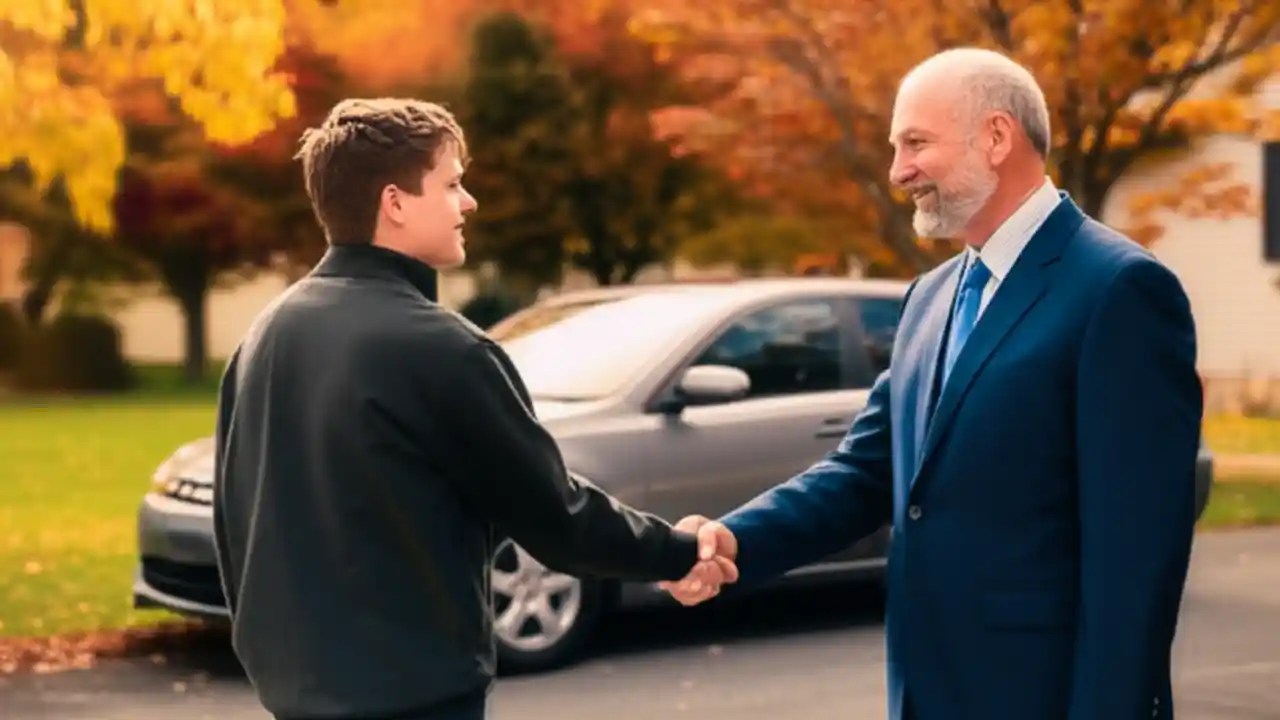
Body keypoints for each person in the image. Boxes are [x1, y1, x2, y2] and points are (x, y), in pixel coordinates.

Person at [663, 48, 1203, 720]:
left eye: (916, 143)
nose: (898, 172)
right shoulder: (929, 296)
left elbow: (1135, 561)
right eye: (896, 148)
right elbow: (863, 474)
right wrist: (732, 539)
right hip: (924, 694)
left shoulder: (1120, 290)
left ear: (997, 138)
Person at [211, 98, 736, 720]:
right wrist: (677, 552)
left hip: (295, 697)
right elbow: (553, 513)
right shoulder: (442, 349)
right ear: (395, 203)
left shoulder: (265, 334)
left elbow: (233, 523)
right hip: (414, 702)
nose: (469, 203)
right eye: (453, 184)